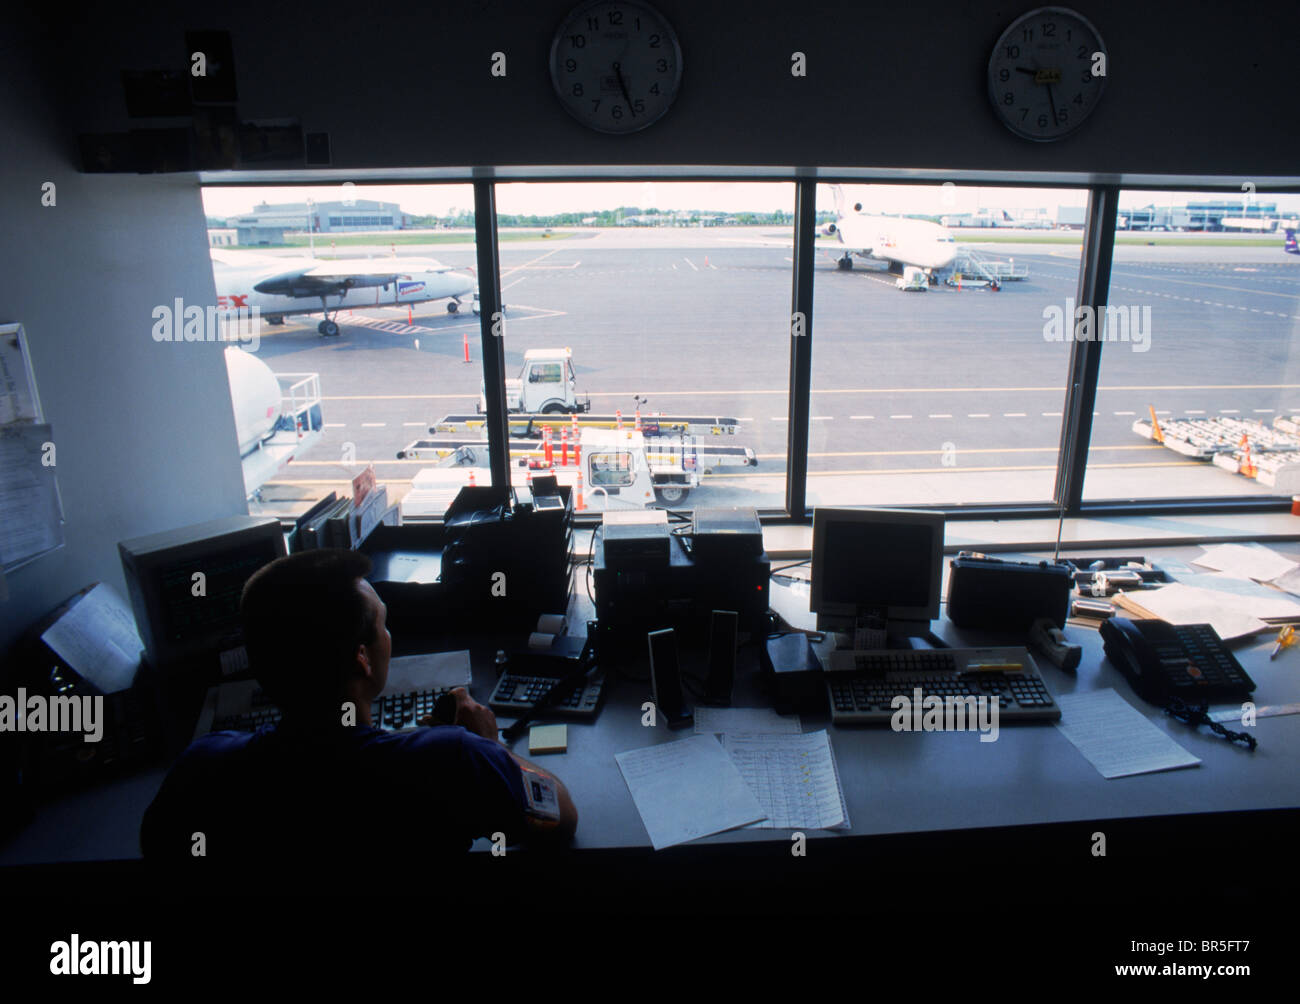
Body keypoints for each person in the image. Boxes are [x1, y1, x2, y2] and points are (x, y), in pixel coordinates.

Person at [140, 549, 577, 869]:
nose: (390, 637)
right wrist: (492, 746)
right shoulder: (456, 761)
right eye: (383, 625)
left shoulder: (201, 770)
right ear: (363, 659)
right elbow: (561, 815)